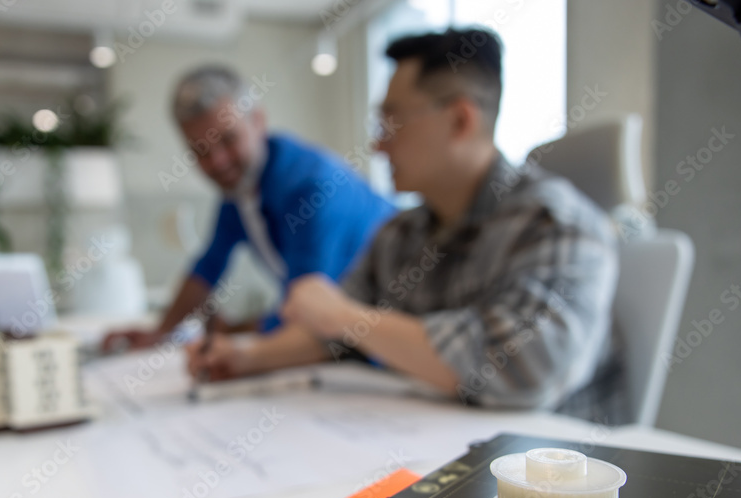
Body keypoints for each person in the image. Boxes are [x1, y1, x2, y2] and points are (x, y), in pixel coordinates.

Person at [187, 29, 629, 425]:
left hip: (553, 478)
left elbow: (520, 369)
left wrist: (344, 315)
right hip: (442, 447)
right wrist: (248, 358)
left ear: (460, 119)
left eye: (391, 121)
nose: (378, 144)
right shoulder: (401, 233)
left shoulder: (556, 225)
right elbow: (337, 338)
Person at [102, 65, 396, 351]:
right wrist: (160, 332)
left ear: (258, 120)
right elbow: (207, 268)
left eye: (228, 139)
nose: (218, 161)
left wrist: (235, 334)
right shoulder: (240, 191)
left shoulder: (313, 189)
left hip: (391, 339)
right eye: (201, 151)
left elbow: (305, 311)